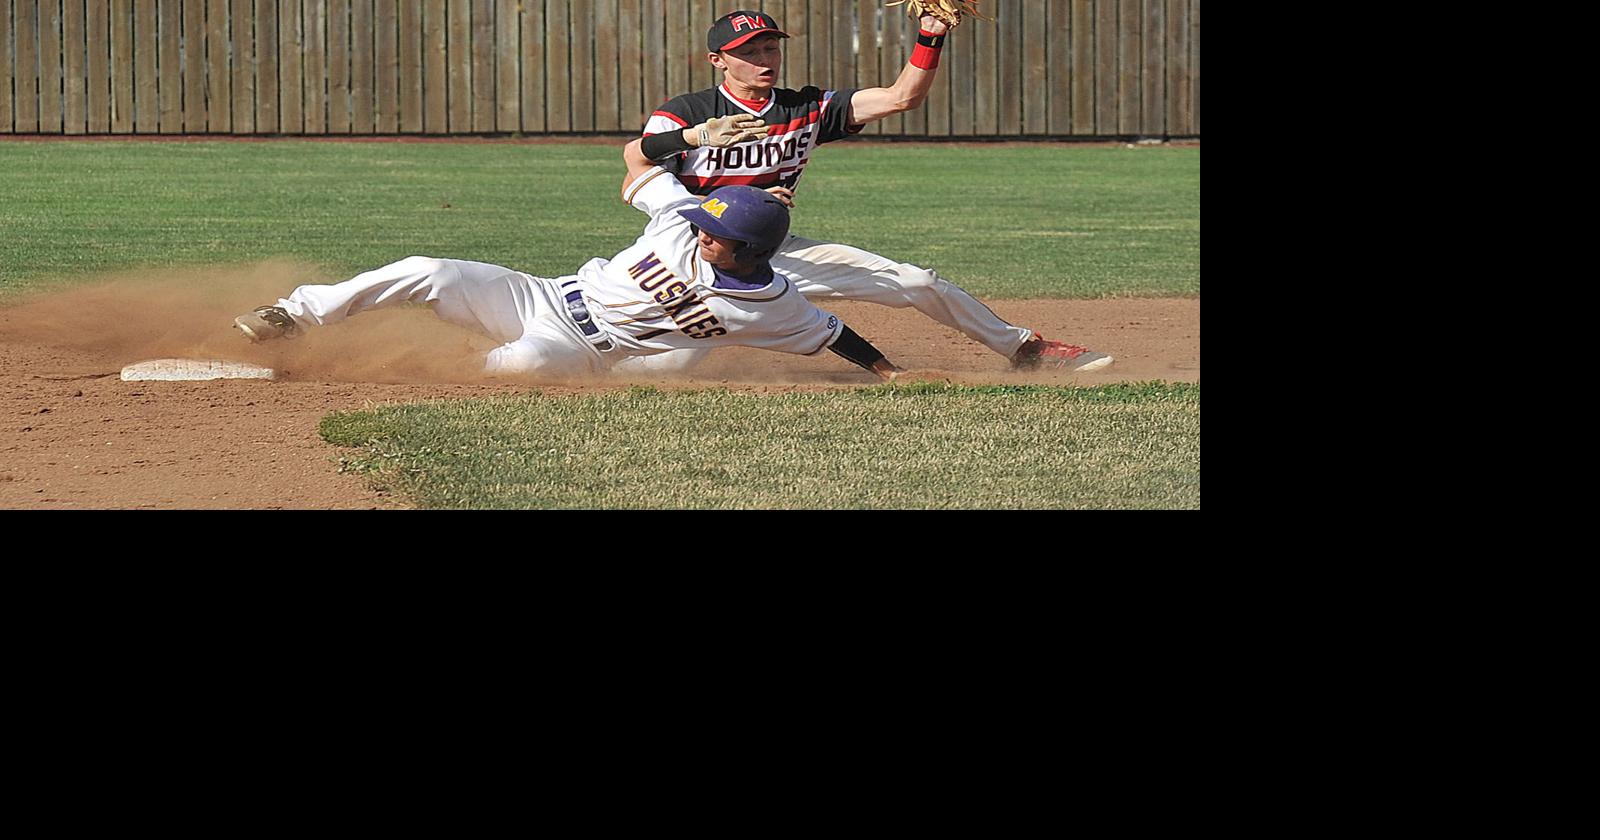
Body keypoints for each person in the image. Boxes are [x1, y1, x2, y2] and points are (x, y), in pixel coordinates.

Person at [232, 115, 904, 383]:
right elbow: (638, 165)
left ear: (750, 250)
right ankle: (296, 315)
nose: (702, 232)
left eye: (717, 233)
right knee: (426, 270)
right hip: (543, 292)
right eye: (705, 222)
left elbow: (837, 333)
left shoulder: (777, 308)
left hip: (583, 350)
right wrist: (691, 140)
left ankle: (393, 373)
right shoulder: (678, 223)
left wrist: (891, 373)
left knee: (515, 369)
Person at [633, 9, 1111, 374]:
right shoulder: (686, 112)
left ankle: (1024, 348)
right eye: (749, 52)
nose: (764, 61)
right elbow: (639, 163)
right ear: (719, 61)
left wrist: (931, 35)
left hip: (779, 252)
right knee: (664, 367)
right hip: (695, 257)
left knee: (917, 282)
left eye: (770, 49)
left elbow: (901, 97)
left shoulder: (806, 107)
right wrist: (732, 201)